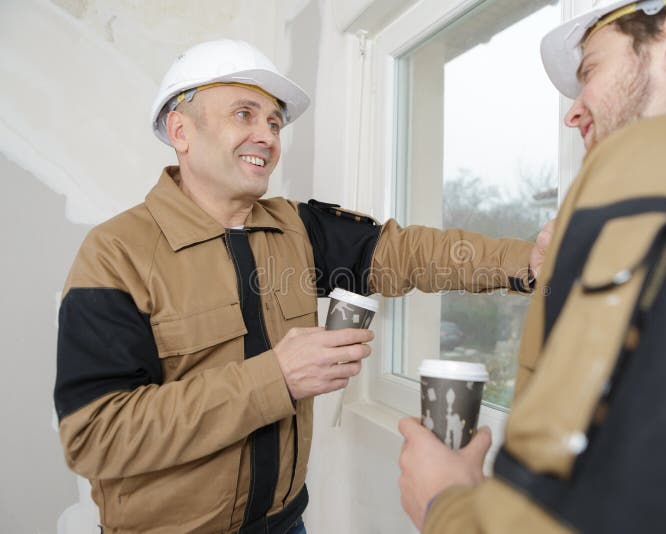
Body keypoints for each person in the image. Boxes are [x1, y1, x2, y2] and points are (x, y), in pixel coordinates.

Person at [53, 39, 549, 534]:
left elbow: (410, 254)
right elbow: (97, 435)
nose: (266, 136)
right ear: (181, 131)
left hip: (287, 524)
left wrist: (527, 261)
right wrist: (278, 377)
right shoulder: (117, 254)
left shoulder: (295, 228)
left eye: (273, 122)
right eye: (244, 114)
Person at [398, 0, 666, 532]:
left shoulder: (651, 161)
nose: (574, 109)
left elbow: (571, 509)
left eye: (590, 70)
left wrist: (443, 500)